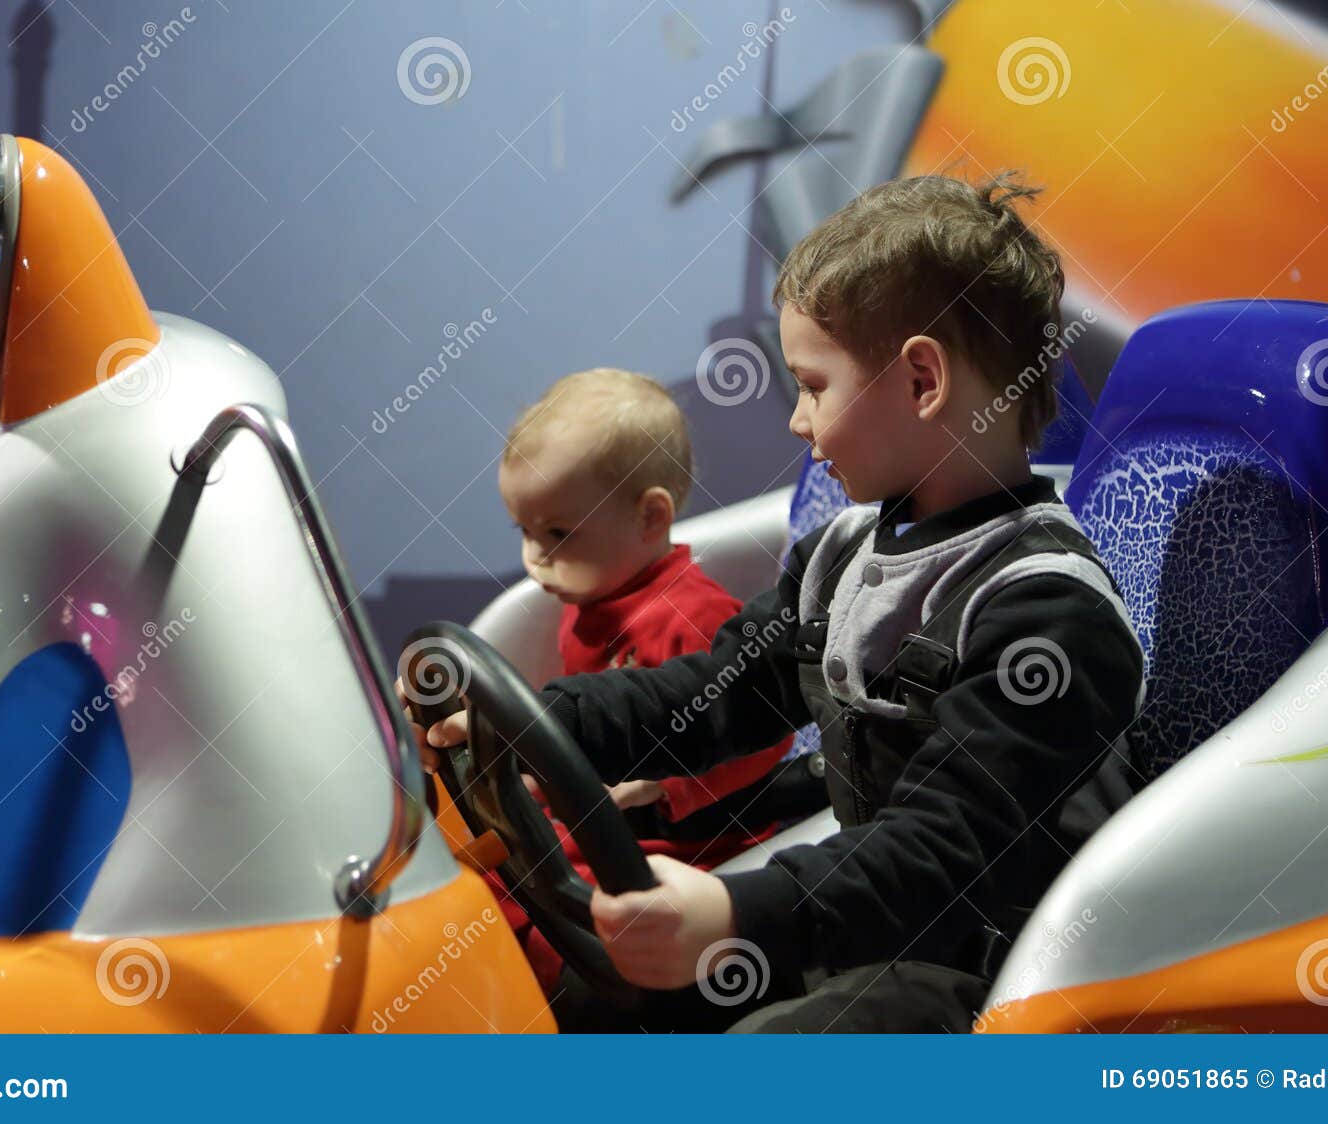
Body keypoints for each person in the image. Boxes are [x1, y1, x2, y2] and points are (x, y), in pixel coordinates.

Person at [415, 173, 1146, 1032]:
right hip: (869, 920)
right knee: (585, 1003)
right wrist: (544, 721)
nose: (799, 423)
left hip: (995, 967)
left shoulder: (1048, 616)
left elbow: (943, 850)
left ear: (921, 381)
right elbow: (715, 690)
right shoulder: (843, 555)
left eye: (812, 386)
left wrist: (737, 918)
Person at [490, 368, 793, 991]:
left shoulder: (694, 620)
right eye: (524, 531)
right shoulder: (592, 597)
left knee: (557, 917)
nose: (533, 558)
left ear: (650, 518)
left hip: (696, 841)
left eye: (556, 535)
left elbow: (767, 731)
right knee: (497, 870)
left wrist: (661, 783)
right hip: (599, 809)